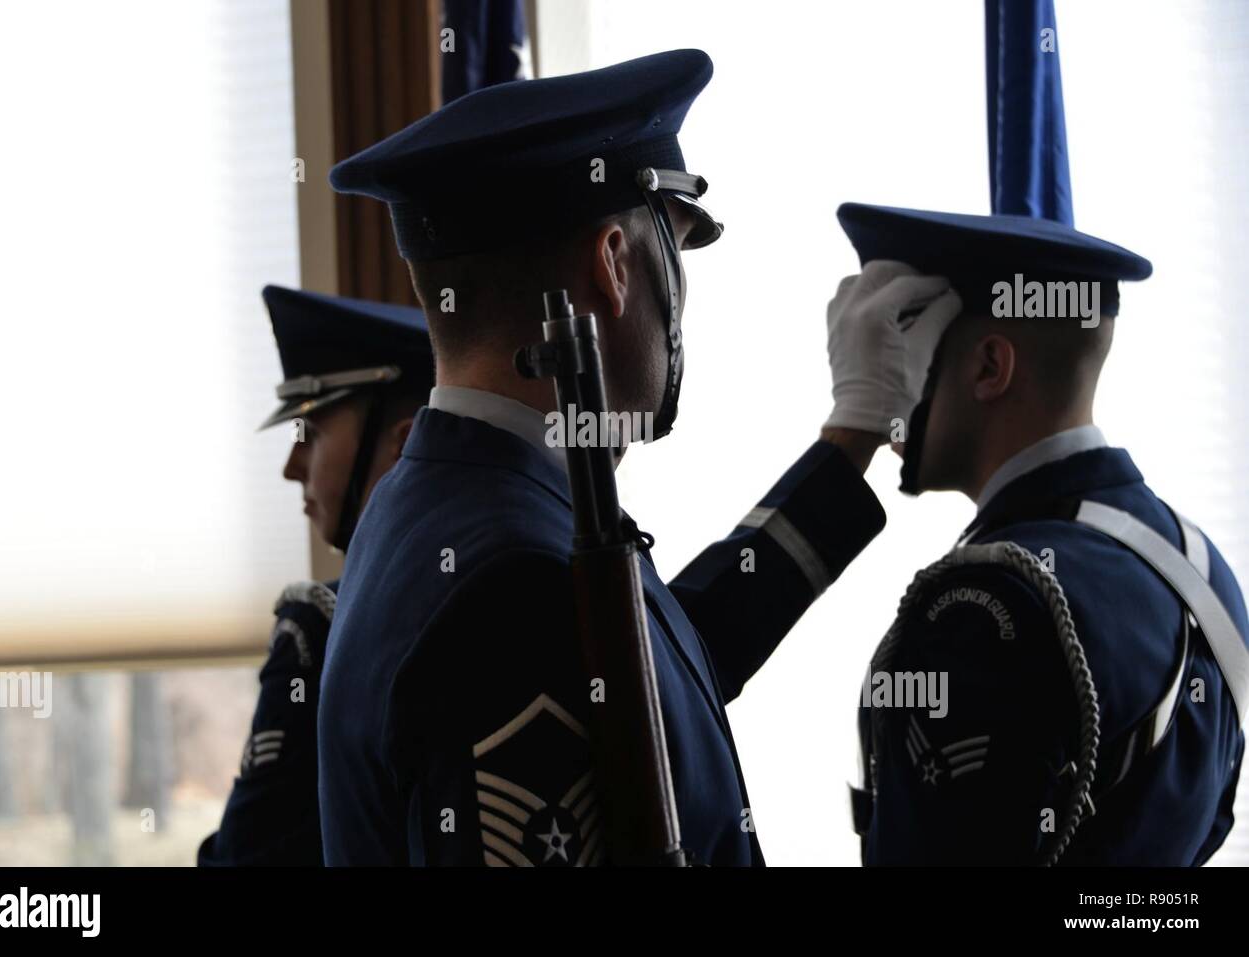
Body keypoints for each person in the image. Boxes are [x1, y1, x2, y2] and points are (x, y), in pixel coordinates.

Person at [317, 50, 957, 865]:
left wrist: (852, 435)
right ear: (614, 265)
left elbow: (652, 684)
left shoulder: (443, 503)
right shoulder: (521, 575)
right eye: (675, 255)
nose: (680, 297)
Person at [842, 203, 1249, 865]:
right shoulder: (1198, 561)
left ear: (989, 367)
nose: (882, 377)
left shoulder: (981, 609)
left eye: (902, 341)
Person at [198, 285, 432, 866]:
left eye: (313, 434)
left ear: (404, 446)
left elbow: (250, 856)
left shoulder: (321, 628)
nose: (290, 466)